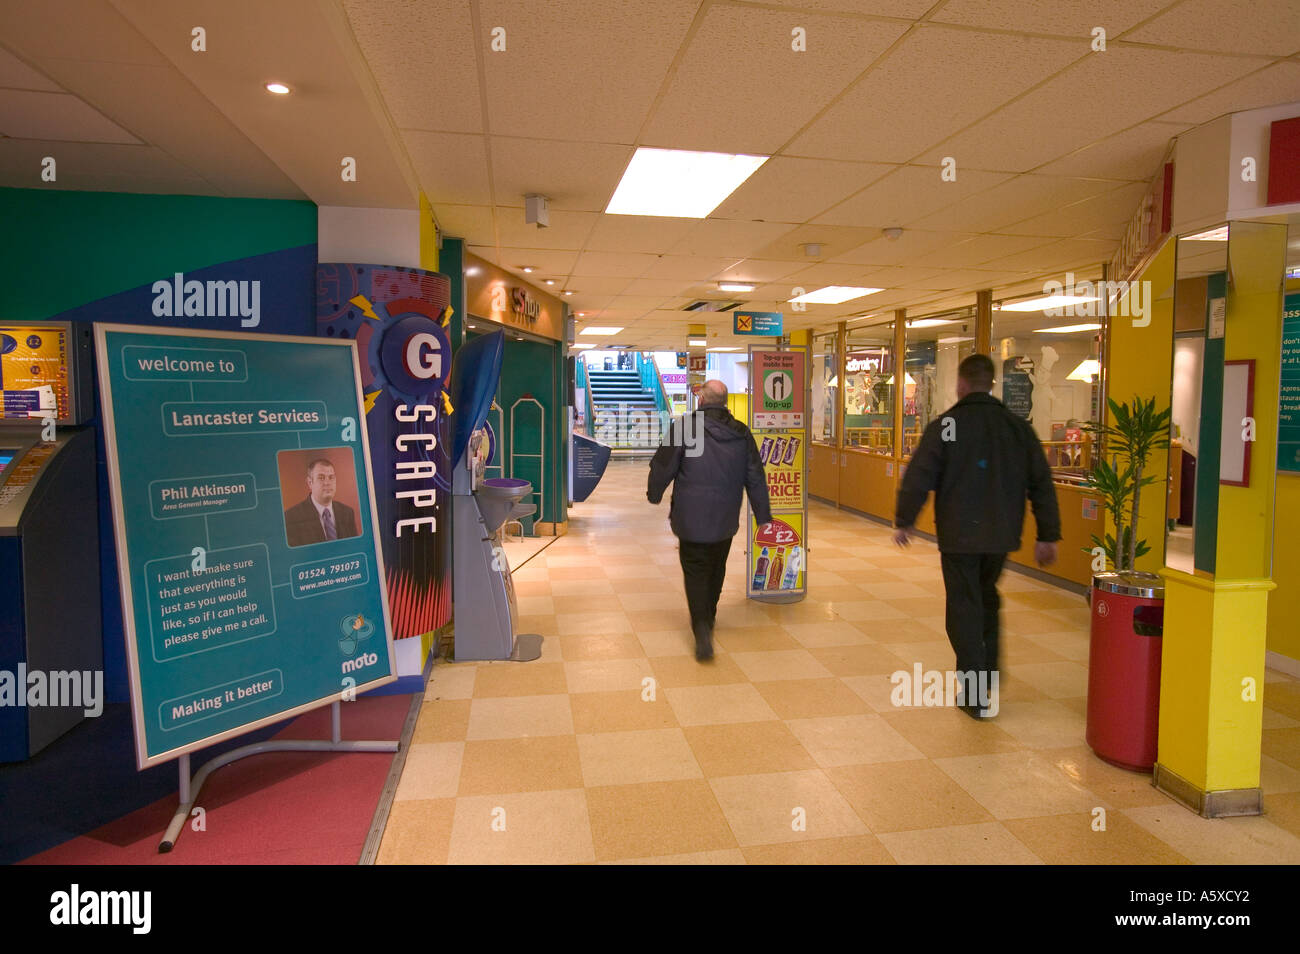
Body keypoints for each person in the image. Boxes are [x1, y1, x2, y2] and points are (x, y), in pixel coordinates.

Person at [893, 353, 1060, 718]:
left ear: (961, 384)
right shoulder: (1016, 427)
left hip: (958, 536)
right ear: (992, 383)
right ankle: (989, 671)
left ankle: (975, 691)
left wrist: (905, 520)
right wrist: (1048, 535)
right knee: (987, 596)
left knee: (964, 605)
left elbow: (919, 474)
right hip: (1001, 536)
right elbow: (1042, 483)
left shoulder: (947, 425)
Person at [648, 380, 772, 662]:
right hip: (725, 517)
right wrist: (762, 515)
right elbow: (755, 475)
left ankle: (702, 628)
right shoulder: (741, 433)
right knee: (717, 566)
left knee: (695, 571)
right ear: (725, 402)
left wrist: (654, 493)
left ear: (701, 400)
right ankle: (710, 615)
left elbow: (663, 465)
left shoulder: (685, 428)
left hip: (690, 517)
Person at [285, 458, 359, 547]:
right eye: (321, 478)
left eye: (331, 477)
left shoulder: (347, 512)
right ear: (310, 483)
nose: (327, 483)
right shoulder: (291, 517)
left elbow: (355, 547)